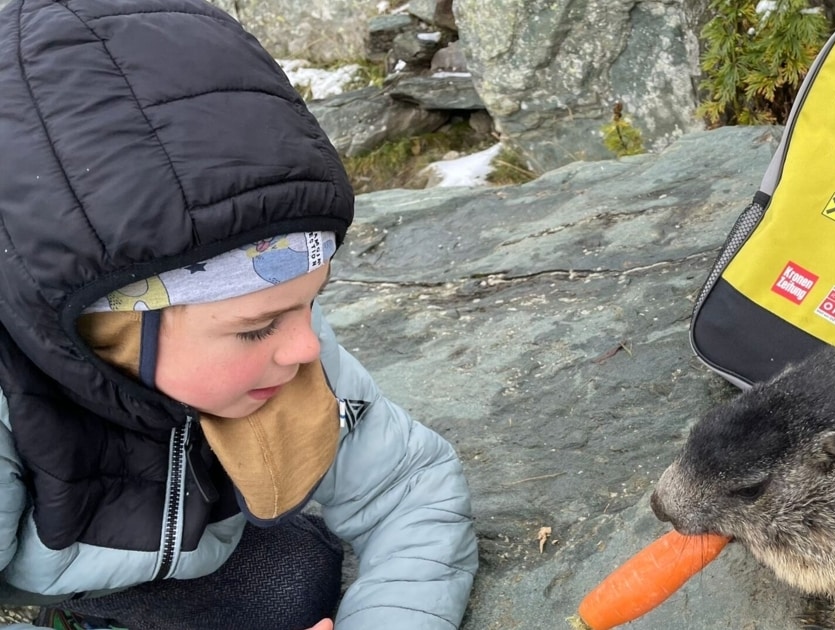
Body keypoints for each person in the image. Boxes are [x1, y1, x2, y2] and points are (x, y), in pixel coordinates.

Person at [0, 0, 478, 629]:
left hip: (166, 553)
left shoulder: (285, 353)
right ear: (102, 332)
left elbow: (410, 486)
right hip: (43, 572)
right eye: (257, 326)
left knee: (295, 577)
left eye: (310, 303)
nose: (305, 348)